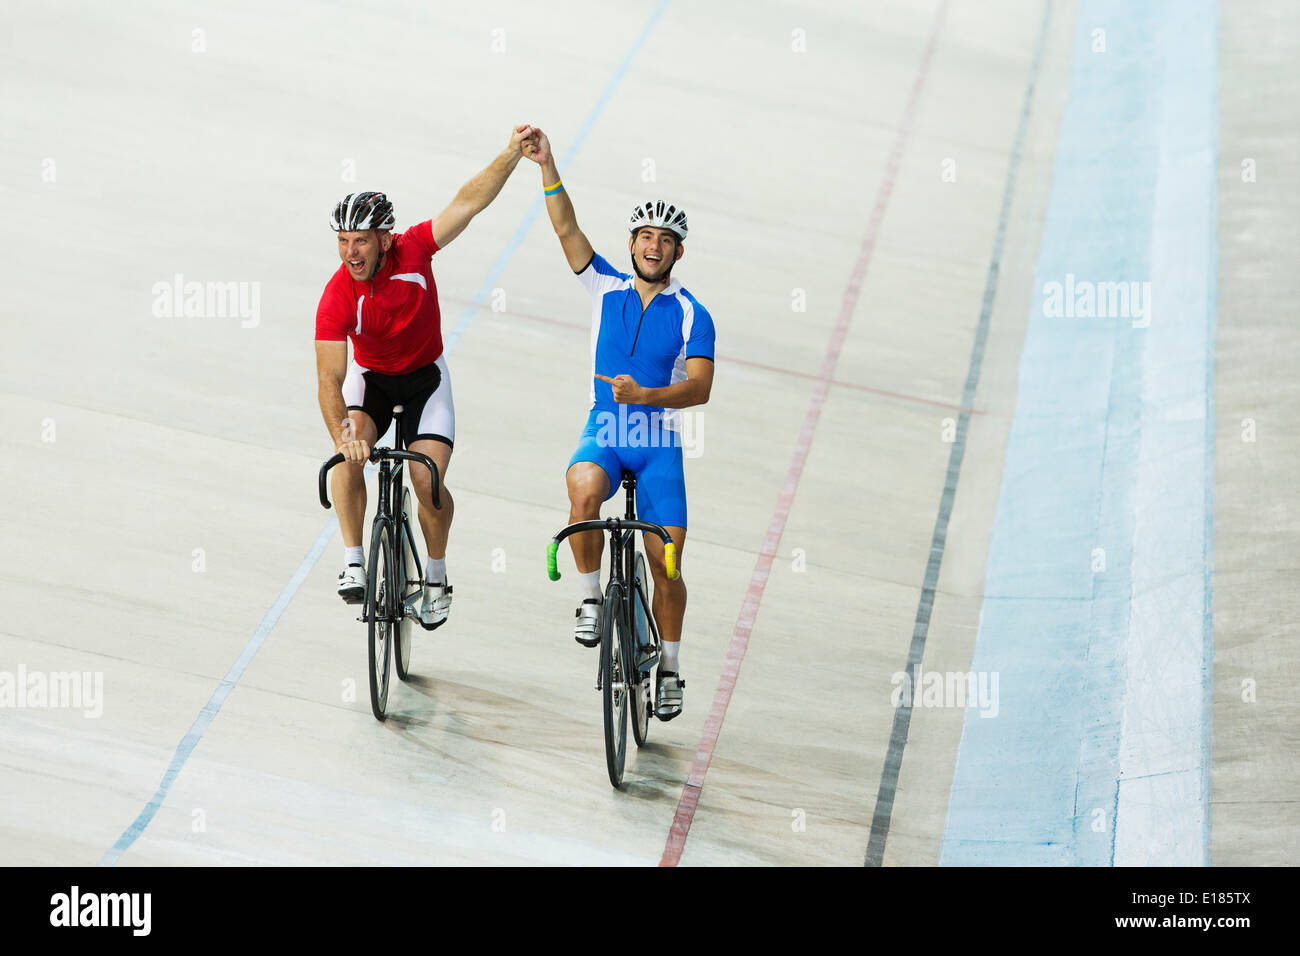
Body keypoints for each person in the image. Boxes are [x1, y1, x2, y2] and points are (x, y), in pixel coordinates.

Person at [523, 128, 715, 721]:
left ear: (678, 252)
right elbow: (565, 228)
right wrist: (548, 166)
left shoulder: (692, 313)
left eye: (666, 240)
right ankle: (588, 601)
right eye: (645, 236)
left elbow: (701, 387)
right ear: (631, 243)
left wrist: (648, 393)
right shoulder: (603, 285)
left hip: (656, 444)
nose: (654, 246)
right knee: (581, 489)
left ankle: (673, 668)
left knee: (668, 563)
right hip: (605, 432)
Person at [316, 125, 536, 627]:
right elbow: (330, 380)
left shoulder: (414, 249)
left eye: (361, 241)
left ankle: (435, 576)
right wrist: (343, 437)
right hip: (372, 382)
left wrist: (509, 154)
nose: (351, 253)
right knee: (344, 461)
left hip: (424, 382)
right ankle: (354, 563)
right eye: (343, 241)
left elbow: (468, 202)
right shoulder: (336, 296)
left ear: (384, 239)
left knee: (426, 479)